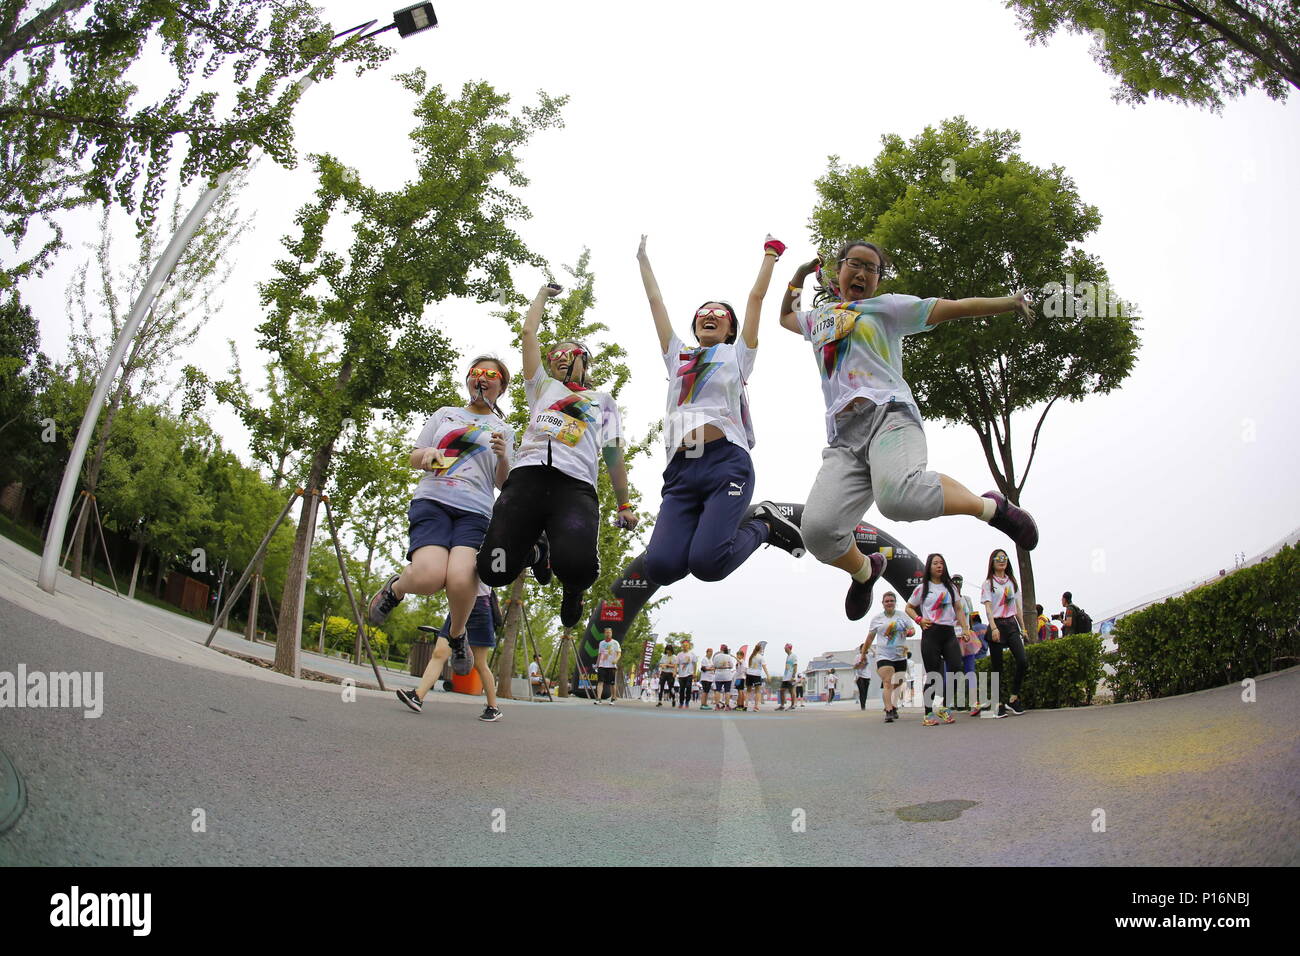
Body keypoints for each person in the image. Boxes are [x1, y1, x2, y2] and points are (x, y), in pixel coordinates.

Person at [779, 242, 1039, 622]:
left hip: (890, 415)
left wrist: (1009, 301)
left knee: (897, 499)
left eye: (873, 269)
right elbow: (787, 316)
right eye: (855, 264)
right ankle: (865, 572)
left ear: (878, 280)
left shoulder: (887, 308)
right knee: (817, 532)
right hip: (844, 438)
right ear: (839, 270)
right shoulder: (818, 318)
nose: (864, 274)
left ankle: (991, 507)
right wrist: (799, 276)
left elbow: (955, 306)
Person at [636, 235, 806, 594]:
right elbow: (655, 303)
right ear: (695, 325)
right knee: (661, 566)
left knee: (708, 566)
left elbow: (755, 300)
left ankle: (764, 525)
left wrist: (771, 255)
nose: (710, 317)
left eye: (720, 315)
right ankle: (702, 526)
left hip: (725, 462)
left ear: (730, 330)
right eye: (704, 314)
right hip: (681, 470)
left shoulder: (738, 355)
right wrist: (642, 261)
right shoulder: (677, 355)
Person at [476, 283, 638, 638]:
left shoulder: (602, 400)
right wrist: (541, 296)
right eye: (554, 354)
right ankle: (537, 552)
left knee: (578, 566)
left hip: (574, 486)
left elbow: (613, 453)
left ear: (583, 359)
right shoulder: (541, 387)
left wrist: (624, 503)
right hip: (528, 479)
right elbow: (528, 332)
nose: (559, 357)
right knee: (494, 570)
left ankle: (573, 589)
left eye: (568, 352)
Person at [374, 354, 513, 723]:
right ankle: (396, 589)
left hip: (475, 511)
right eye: (476, 373)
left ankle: (456, 636)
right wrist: (428, 455)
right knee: (428, 576)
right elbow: (413, 457)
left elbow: (504, 484)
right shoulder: (444, 415)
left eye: (491, 375)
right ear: (469, 379)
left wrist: (503, 457)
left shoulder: (504, 429)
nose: (482, 379)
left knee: (460, 578)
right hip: (434, 501)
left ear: (501, 385)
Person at [397, 580, 503, 721]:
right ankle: (418, 696)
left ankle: (493, 707)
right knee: (439, 653)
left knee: (479, 663)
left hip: (479, 606)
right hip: (458, 604)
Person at [905, 552, 970, 725]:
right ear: (929, 567)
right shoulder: (922, 588)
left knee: (957, 669)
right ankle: (928, 714)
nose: (939, 566)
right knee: (934, 676)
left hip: (949, 633)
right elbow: (909, 607)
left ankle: (943, 707)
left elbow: (958, 609)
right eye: (935, 563)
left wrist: (965, 628)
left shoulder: (951, 587)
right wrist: (919, 620)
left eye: (941, 563)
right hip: (931, 633)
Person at [983, 549, 1030, 716]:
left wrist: (1023, 628)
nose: (1002, 561)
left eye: (1004, 558)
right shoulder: (988, 583)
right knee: (998, 667)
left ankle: (1013, 697)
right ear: (992, 561)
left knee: (1023, 660)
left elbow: (1017, 608)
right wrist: (993, 627)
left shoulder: (1012, 582)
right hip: (997, 624)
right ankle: (999, 702)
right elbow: (988, 607)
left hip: (1011, 625)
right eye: (998, 558)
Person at [864, 592, 915, 722]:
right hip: (883, 654)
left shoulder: (902, 616)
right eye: (886, 601)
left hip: (900, 654)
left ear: (895, 602)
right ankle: (889, 710)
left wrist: (909, 632)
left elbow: (912, 630)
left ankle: (893, 704)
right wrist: (863, 652)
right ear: (882, 603)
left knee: (898, 682)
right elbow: (870, 637)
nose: (889, 603)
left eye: (891, 600)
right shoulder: (877, 619)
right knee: (888, 681)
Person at [594, 626, 621, 706]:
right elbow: (600, 654)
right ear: (604, 633)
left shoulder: (615, 643)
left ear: (611, 633)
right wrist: (597, 664)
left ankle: (613, 697)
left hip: (611, 666)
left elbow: (619, 653)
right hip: (602, 665)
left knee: (612, 683)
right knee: (600, 682)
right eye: (607, 632)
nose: (608, 634)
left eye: (609, 632)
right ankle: (598, 698)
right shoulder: (601, 643)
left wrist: (616, 660)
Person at [745, 641, 769, 711]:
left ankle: (746, 705)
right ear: (760, 649)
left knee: (748, 691)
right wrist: (767, 675)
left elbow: (749, 666)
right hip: (756, 675)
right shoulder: (761, 657)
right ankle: (756, 706)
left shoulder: (751, 656)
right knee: (757, 691)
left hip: (749, 674)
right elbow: (764, 667)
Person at [710, 644, 736, 711]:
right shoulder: (728, 656)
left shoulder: (716, 656)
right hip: (727, 674)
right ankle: (727, 706)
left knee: (718, 690)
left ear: (720, 649)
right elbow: (732, 665)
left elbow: (714, 665)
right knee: (727, 691)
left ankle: (717, 705)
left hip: (718, 674)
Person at [675, 640, 698, 709]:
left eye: (686, 645)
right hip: (681, 674)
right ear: (682, 646)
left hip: (689, 674)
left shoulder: (692, 654)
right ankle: (681, 702)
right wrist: (675, 672)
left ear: (689, 646)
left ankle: (687, 702)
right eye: (684, 646)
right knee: (681, 689)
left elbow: (695, 663)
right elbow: (676, 664)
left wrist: (695, 673)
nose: (685, 647)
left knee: (688, 687)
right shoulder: (679, 654)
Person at [777, 642, 798, 711]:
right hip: (786, 677)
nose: (784, 649)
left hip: (791, 677)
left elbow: (795, 666)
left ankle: (793, 705)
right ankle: (782, 706)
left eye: (785, 647)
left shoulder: (793, 655)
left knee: (792, 691)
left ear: (788, 648)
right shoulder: (788, 656)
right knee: (782, 690)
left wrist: (793, 676)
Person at [656, 643, 677, 707]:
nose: (668, 651)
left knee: (671, 688)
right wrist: (662, 665)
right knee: (661, 687)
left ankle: (673, 699)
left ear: (671, 650)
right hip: (663, 672)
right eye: (667, 650)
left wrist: (668, 665)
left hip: (670, 674)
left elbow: (675, 665)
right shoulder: (663, 656)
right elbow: (660, 664)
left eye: (669, 650)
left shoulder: (674, 657)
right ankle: (659, 701)